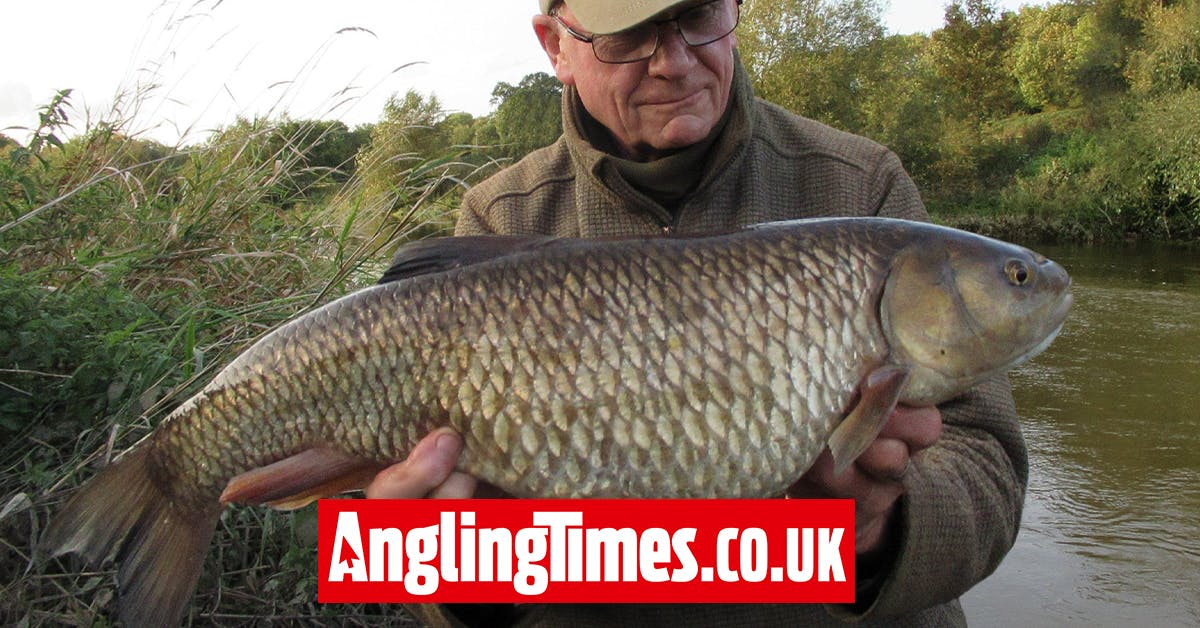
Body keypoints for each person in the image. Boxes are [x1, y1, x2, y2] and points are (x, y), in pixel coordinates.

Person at [366, 0, 1027, 625]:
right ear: (555, 45)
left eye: (697, 16)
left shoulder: (862, 187)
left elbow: (989, 474)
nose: (674, 61)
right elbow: (414, 558)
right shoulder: (502, 216)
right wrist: (465, 573)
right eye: (629, 33)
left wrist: (869, 535)